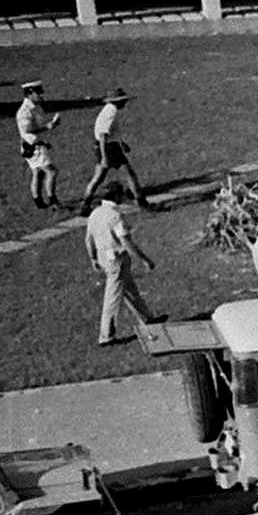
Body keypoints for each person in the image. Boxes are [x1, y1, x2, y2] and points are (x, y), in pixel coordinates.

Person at [86, 187, 161, 346]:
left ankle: (148, 319)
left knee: (130, 290)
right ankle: (106, 335)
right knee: (112, 298)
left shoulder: (95, 213)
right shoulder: (115, 216)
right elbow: (126, 242)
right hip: (117, 260)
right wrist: (144, 259)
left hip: (104, 258)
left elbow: (89, 238)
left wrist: (93, 258)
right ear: (116, 196)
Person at [83, 87, 150, 207]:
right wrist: (105, 157)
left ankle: (85, 204)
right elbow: (103, 135)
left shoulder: (108, 110)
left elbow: (111, 132)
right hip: (109, 148)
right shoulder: (111, 112)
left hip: (106, 146)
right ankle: (141, 202)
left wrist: (121, 143)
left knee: (98, 178)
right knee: (129, 174)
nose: (125, 103)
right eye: (123, 100)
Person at [16, 78, 60, 209]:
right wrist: (47, 127)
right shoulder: (25, 111)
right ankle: (53, 200)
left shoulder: (35, 108)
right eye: (38, 92)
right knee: (51, 172)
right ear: (29, 93)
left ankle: (39, 201)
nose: (41, 95)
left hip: (35, 144)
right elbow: (27, 131)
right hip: (33, 146)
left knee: (38, 173)